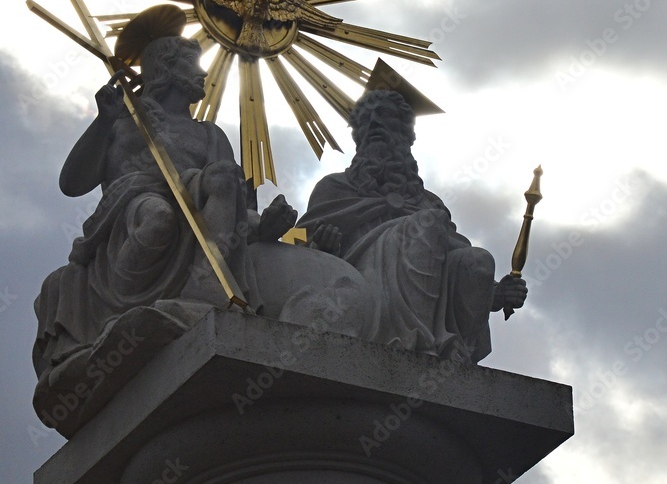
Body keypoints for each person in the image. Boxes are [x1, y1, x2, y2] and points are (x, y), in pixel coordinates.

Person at [33, 34, 296, 421]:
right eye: (194, 65)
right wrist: (103, 120)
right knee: (158, 217)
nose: (204, 74)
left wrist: (263, 227)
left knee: (224, 174)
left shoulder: (210, 135)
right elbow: (71, 183)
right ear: (168, 71)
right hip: (130, 209)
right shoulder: (124, 121)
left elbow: (235, 208)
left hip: (195, 211)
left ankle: (206, 292)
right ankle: (124, 312)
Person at [297, 89, 527, 362]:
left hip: (431, 300)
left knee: (478, 259)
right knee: (427, 225)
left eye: (385, 117)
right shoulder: (334, 188)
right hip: (359, 284)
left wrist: (495, 293)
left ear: (407, 135)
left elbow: (450, 258)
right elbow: (303, 252)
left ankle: (457, 359)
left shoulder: (430, 203)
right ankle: (416, 347)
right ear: (358, 137)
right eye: (366, 122)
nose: (375, 125)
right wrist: (322, 245)